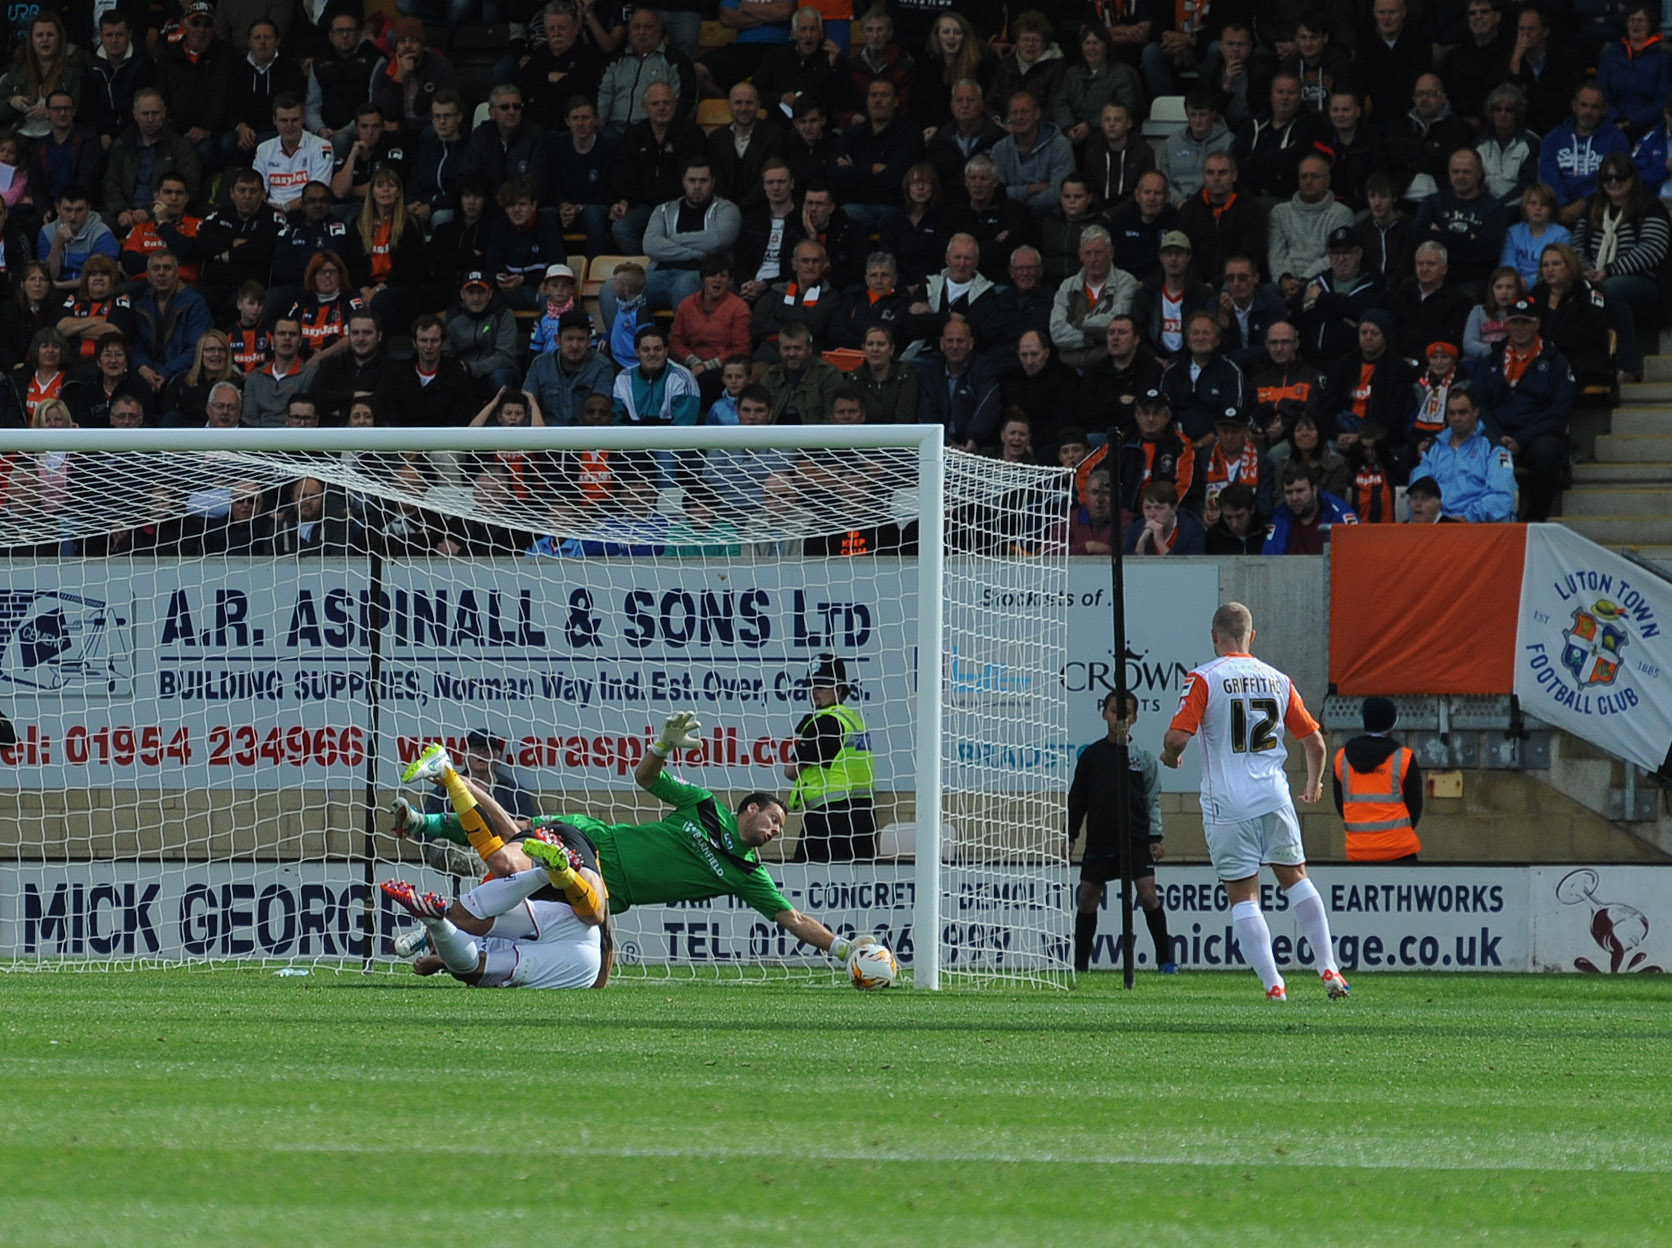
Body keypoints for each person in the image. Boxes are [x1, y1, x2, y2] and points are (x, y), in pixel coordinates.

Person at [394, 713, 873, 966]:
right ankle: (442, 796)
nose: (772, 832)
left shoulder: (746, 873)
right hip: (593, 843)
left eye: (779, 831)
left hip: (601, 896)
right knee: (513, 847)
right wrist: (661, 747)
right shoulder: (703, 805)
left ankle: (438, 930)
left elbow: (795, 917)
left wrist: (842, 948)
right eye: (771, 820)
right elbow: (646, 777)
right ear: (749, 808)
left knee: (569, 955)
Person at [1161, 601, 1349, 1002]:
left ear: (1214, 637)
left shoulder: (1203, 678)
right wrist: (1313, 784)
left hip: (1228, 802)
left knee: (1244, 895)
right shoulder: (1277, 679)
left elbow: (1177, 738)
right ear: (1253, 637)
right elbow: (1315, 743)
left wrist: (1170, 755)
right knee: (1296, 877)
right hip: (1273, 795)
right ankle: (1328, 965)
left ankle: (1273, 985)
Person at [1067, 689, 1174, 975]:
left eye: (1127, 714)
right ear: (1105, 714)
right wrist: (1071, 835)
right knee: (1088, 896)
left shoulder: (1143, 758)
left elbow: (1152, 799)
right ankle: (1080, 965)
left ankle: (1166, 961)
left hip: (1136, 840)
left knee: (1148, 895)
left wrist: (1156, 838)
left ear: (1136, 718)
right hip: (1101, 839)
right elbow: (1077, 799)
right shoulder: (1091, 756)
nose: (1121, 719)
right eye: (1115, 712)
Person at [1570, 151, 1671, 384]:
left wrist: (1609, 271)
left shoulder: (1650, 207)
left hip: (1646, 283)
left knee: (1612, 289)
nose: (1614, 182)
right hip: (1595, 276)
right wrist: (1586, 269)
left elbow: (1653, 250)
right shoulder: (1593, 207)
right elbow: (1576, 245)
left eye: (1620, 176)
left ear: (1633, 178)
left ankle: (1629, 366)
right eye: (1608, 178)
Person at [783, 654, 875, 862]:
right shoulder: (854, 720)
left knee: (805, 879)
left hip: (829, 820)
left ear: (839, 690)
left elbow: (790, 771)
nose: (815, 692)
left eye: (821, 686)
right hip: (864, 818)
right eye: (812, 686)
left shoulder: (825, 723)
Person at [1332, 696, 1423, 864]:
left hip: (1358, 851)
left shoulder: (1342, 758)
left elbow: (1341, 805)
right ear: (1392, 723)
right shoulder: (1404, 758)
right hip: (1400, 850)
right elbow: (1415, 806)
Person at [1408, 385, 1517, 523]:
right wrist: (1439, 518)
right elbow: (1419, 489)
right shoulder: (1434, 448)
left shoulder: (1494, 448)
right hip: (1438, 525)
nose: (1457, 418)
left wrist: (1468, 517)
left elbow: (1502, 497)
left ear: (1476, 412)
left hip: (1478, 526)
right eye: (1451, 413)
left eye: (1463, 412)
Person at [1263, 462, 1357, 554]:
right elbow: (1269, 558)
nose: (1294, 498)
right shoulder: (1281, 516)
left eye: (1300, 491)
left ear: (1314, 490)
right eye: (1289, 492)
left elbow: (1357, 551)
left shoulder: (1337, 512)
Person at [1122, 478, 1205, 555]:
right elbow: (1131, 568)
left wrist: (1160, 543)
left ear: (1173, 509)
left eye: (1159, 508)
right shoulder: (1133, 529)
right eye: (1147, 508)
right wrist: (1141, 543)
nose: (1152, 514)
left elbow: (1189, 568)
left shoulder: (1193, 529)